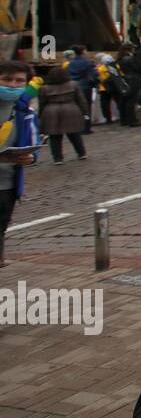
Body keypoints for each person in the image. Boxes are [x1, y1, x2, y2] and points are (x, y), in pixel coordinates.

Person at [0, 61, 40, 267]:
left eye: (19, 81)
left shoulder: (26, 113)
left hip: (7, 183)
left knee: (2, 224)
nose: (13, 85)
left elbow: (34, 146)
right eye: (7, 79)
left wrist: (30, 157)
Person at [38, 66, 87, 164]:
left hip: (51, 111)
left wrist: (40, 115)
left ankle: (58, 158)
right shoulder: (74, 85)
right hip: (71, 109)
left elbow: (42, 103)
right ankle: (82, 153)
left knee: (54, 136)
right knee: (74, 134)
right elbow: (81, 100)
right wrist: (85, 112)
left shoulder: (44, 88)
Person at [66, 45, 96, 134]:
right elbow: (92, 75)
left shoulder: (71, 63)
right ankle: (86, 127)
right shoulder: (86, 63)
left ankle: (77, 126)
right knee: (86, 107)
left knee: (77, 107)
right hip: (85, 86)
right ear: (83, 51)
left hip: (73, 86)